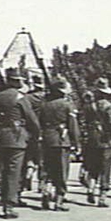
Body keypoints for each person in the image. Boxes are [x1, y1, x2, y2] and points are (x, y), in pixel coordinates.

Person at [0, 67, 40, 219]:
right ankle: (8, 205)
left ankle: (3, 196)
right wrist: (34, 136)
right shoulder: (21, 98)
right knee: (13, 172)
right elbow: (32, 120)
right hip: (17, 138)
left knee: (2, 170)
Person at [39, 77, 80, 211]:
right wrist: (76, 142)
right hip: (62, 140)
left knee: (47, 169)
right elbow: (72, 126)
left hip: (47, 139)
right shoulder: (67, 105)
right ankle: (59, 200)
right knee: (62, 171)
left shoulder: (44, 105)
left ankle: (45, 193)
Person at [82, 78, 111, 207]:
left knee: (92, 167)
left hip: (91, 139)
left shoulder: (89, 105)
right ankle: (102, 197)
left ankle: (90, 189)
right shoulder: (108, 106)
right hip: (105, 140)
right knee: (105, 169)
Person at [23, 73, 46, 198]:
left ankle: (28, 176)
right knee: (42, 159)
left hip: (28, 131)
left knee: (29, 157)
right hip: (43, 131)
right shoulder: (46, 98)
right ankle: (42, 184)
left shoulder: (26, 98)